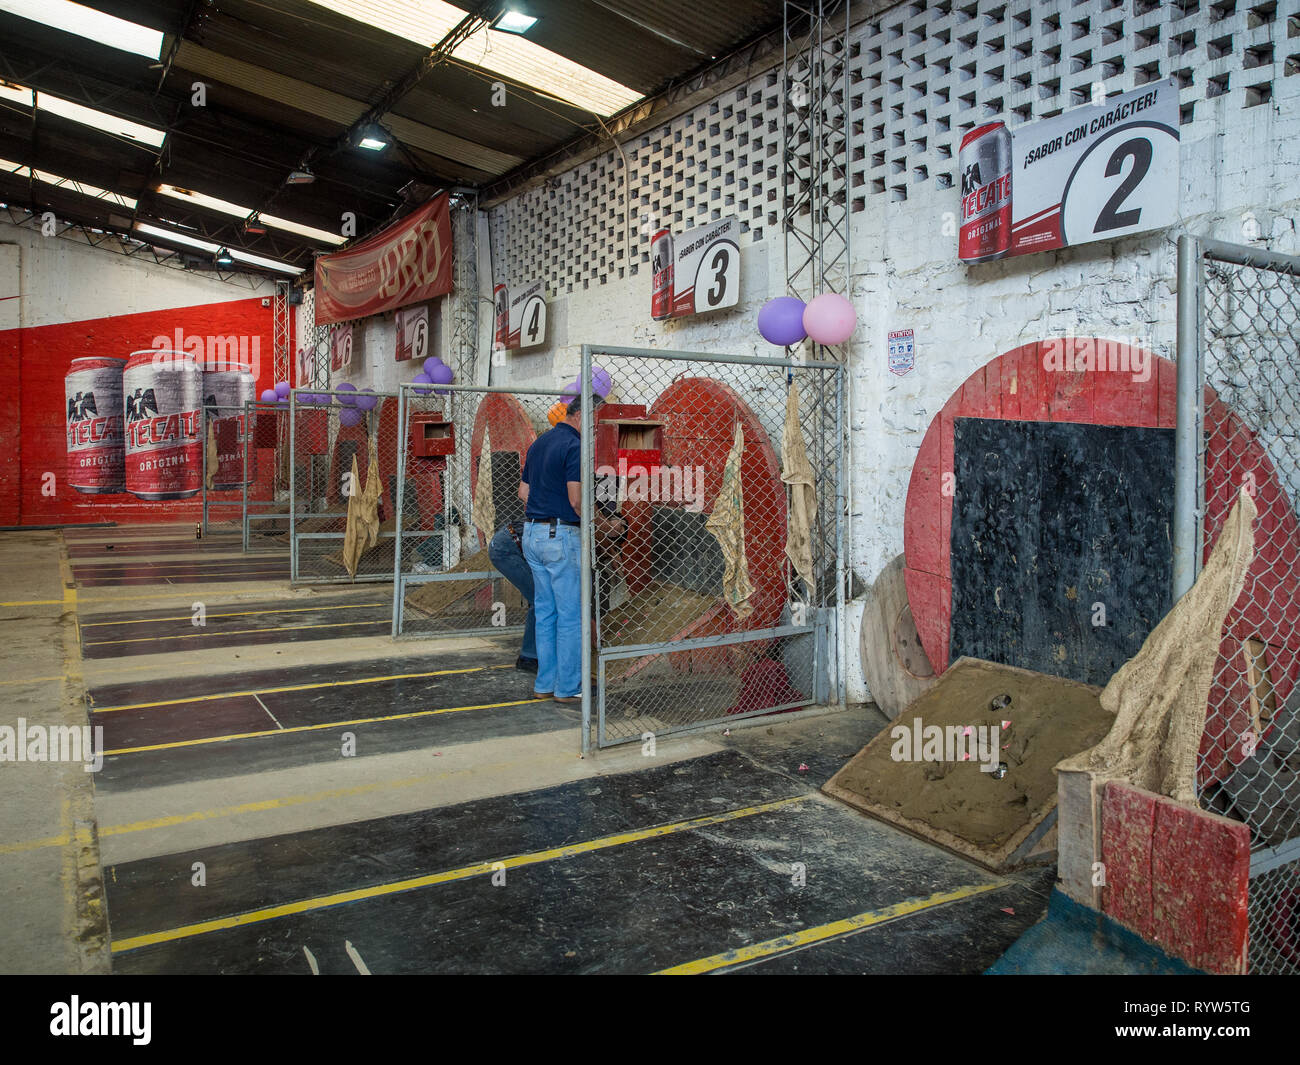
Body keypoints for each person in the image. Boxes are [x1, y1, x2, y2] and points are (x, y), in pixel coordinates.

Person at [519, 394, 625, 703]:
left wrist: (546, 506)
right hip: (561, 536)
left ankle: (544, 684)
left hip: (532, 534)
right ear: (585, 416)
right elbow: (577, 501)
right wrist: (608, 527)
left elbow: (523, 491)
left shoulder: (539, 443)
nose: (596, 431)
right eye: (596, 422)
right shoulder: (576, 446)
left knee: (546, 613)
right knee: (571, 616)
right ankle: (568, 688)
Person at [488, 521, 537, 674]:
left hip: (513, 542)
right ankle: (528, 658)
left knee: (540, 599)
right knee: (539, 600)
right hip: (507, 547)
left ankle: (535, 653)